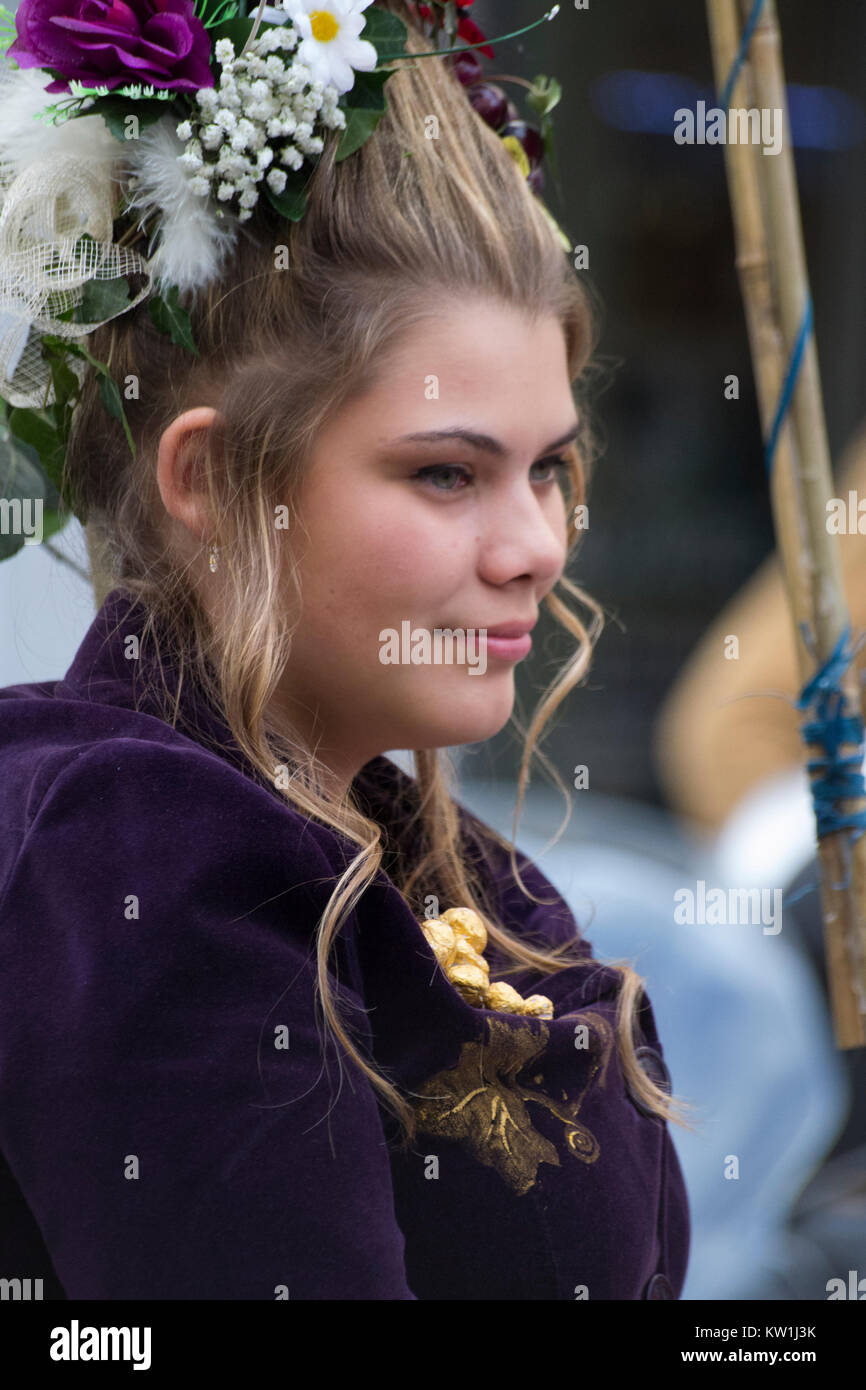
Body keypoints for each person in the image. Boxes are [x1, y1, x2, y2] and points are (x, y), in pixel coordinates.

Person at [0, 0, 692, 1299]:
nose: (535, 544)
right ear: (210, 480)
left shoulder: (436, 859)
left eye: (548, 469)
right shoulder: (136, 842)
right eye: (445, 474)